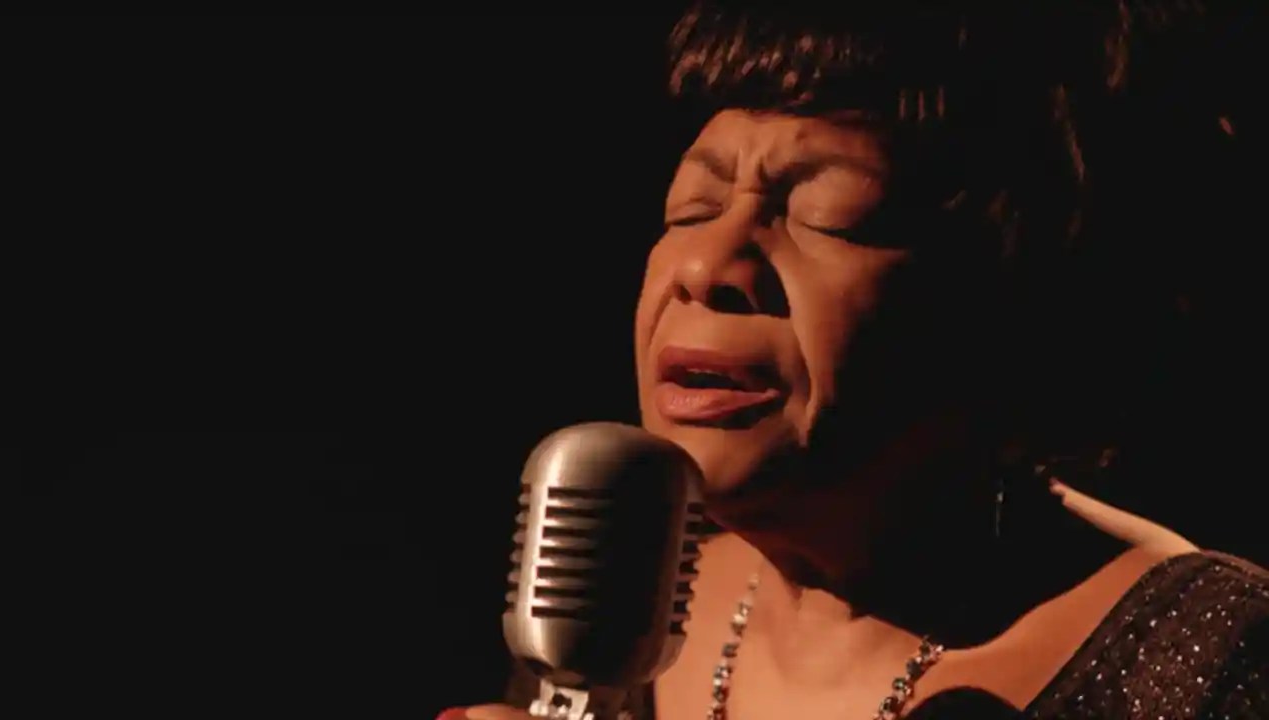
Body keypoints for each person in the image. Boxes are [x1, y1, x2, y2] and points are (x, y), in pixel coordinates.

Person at [443, 3, 1268, 718]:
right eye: (692, 208)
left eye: (826, 215)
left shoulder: (1207, 659)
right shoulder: (613, 619)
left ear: (1015, 295)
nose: (705, 267)